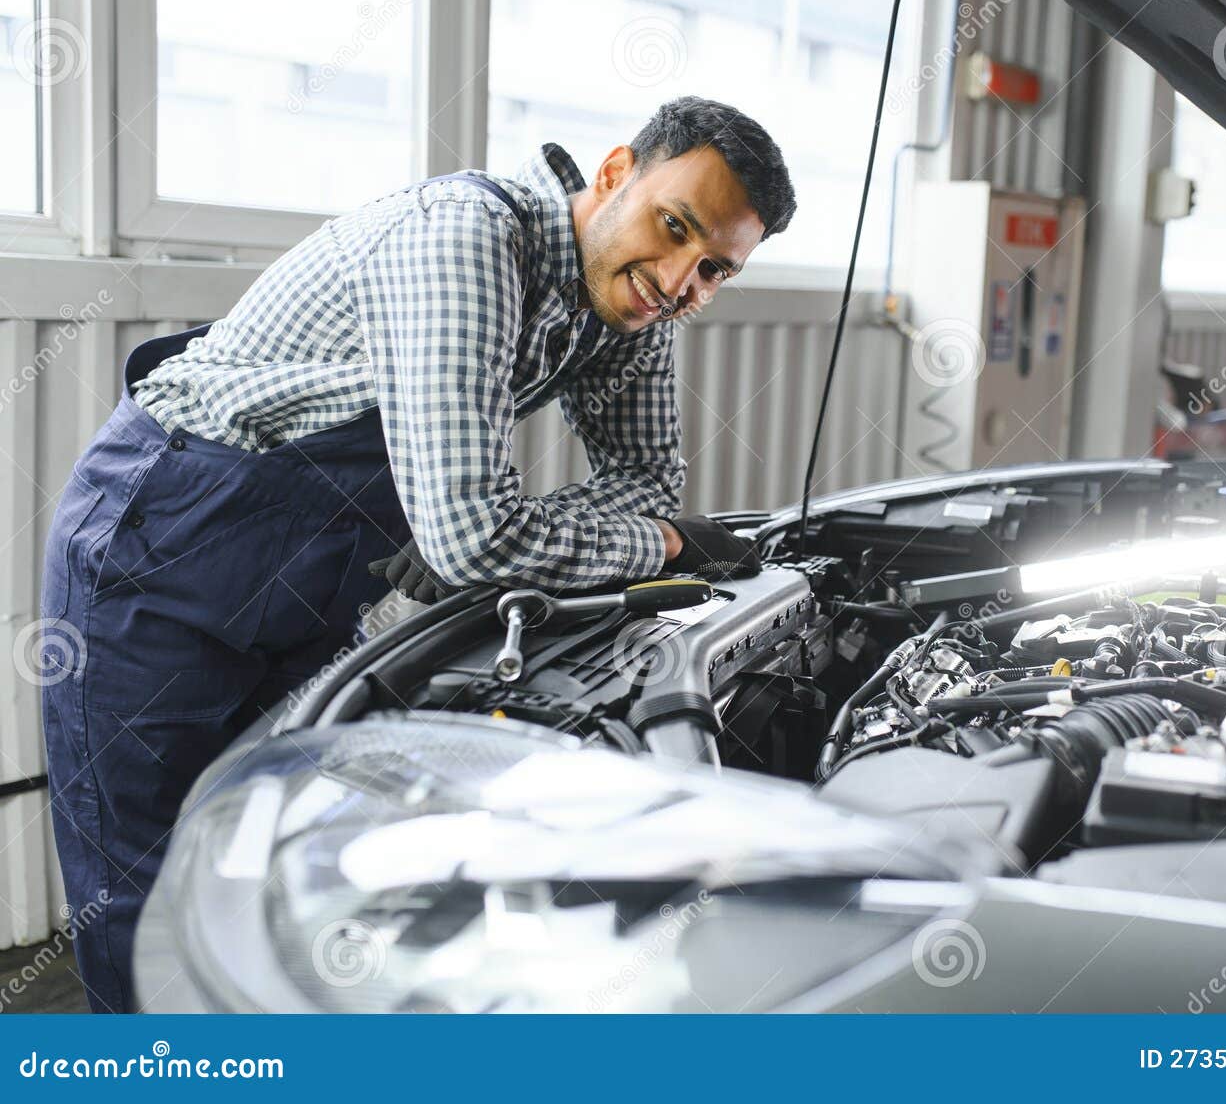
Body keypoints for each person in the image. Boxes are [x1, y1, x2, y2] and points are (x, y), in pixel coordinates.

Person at [39, 96, 796, 1011]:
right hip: (161, 545)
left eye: (714, 268)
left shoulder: (629, 301)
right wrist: (655, 545)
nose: (679, 281)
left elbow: (635, 483)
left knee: (292, 849)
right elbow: (486, 534)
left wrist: (505, 536)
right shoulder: (472, 238)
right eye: (673, 227)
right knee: (144, 886)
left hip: (322, 566)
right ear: (614, 172)